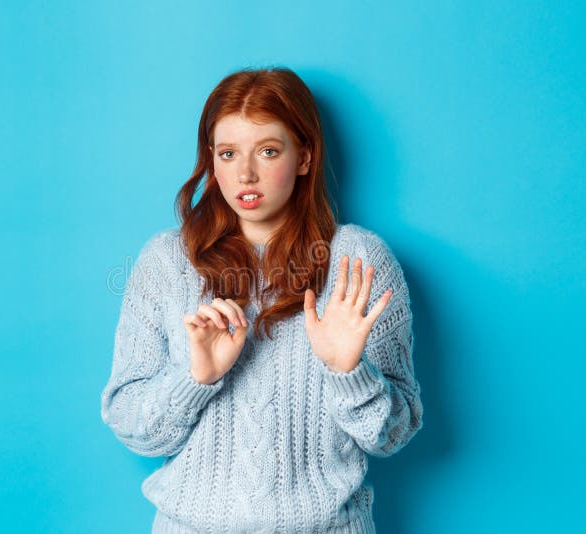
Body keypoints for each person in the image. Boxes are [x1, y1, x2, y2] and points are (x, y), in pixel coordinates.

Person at [100, 66, 424, 533]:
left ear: (305, 157)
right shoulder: (167, 262)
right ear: (211, 160)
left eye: (268, 151)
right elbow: (132, 427)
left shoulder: (358, 260)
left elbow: (394, 433)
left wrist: (348, 373)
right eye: (228, 154)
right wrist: (196, 377)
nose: (245, 174)